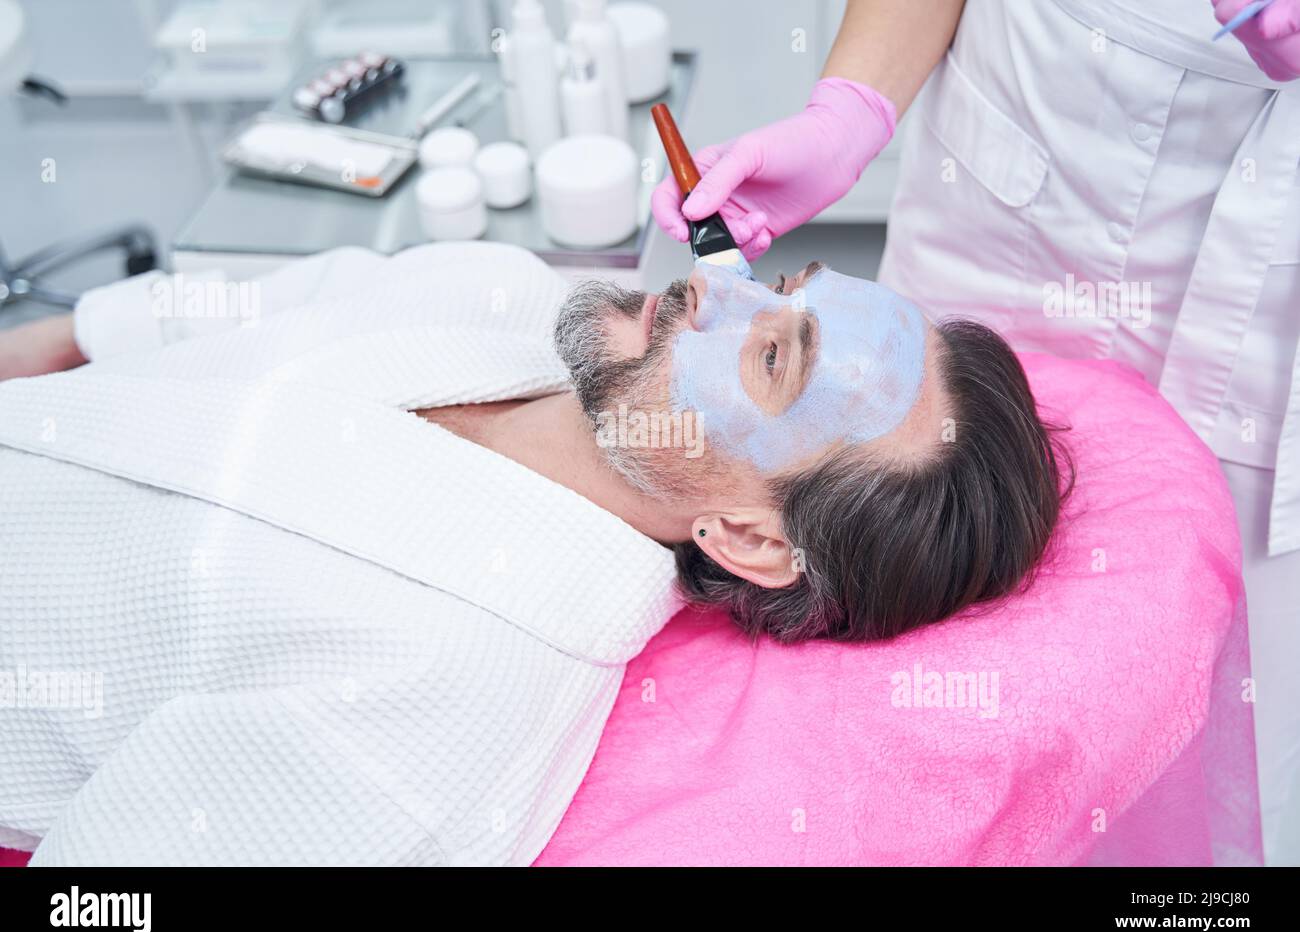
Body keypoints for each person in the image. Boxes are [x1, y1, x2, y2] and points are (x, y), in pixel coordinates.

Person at [0, 241, 1067, 864]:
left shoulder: (434, 708)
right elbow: (115, 337)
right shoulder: (503, 289)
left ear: (746, 536)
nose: (715, 278)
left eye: (771, 351)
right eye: (785, 283)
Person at [653, 0, 1300, 867]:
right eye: (783, 336)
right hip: (1020, 183)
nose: (724, 293)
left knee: (1208, 747)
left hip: (1263, 318)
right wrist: (850, 109)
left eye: (777, 349)